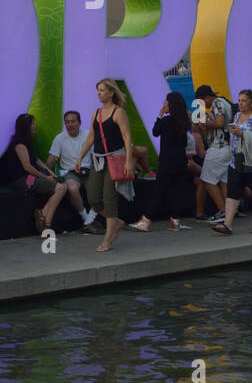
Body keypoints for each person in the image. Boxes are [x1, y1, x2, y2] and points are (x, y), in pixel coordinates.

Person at [74, 78, 133, 253]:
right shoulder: (96, 113)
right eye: (98, 90)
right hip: (98, 159)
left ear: (111, 92)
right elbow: (91, 138)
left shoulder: (118, 112)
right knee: (92, 196)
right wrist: (80, 157)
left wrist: (129, 161)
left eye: (102, 90)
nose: (99, 93)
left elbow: (127, 138)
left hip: (114, 159)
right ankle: (116, 221)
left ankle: (108, 239)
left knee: (109, 197)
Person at [130, 92, 194, 233]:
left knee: (159, 191)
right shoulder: (183, 122)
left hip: (167, 161)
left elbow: (155, 132)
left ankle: (145, 221)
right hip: (181, 160)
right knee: (178, 191)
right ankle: (175, 221)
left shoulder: (166, 121)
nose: (164, 104)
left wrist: (159, 115)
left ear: (170, 104)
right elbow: (183, 142)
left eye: (166, 102)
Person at [0, 114, 66, 230]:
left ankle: (42, 214)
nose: (35, 126)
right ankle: (47, 222)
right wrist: (46, 178)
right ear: (26, 127)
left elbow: (36, 160)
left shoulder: (27, 142)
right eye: (32, 123)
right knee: (60, 188)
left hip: (28, 177)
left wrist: (51, 173)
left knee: (62, 185)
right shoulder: (19, 144)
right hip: (23, 179)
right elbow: (27, 167)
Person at [211, 89, 252, 235]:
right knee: (233, 191)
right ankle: (227, 224)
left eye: (244, 101)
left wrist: (242, 134)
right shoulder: (237, 115)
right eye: (239, 101)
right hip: (237, 161)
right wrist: (231, 150)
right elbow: (233, 136)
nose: (241, 104)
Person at [46, 110, 96, 232]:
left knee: (101, 188)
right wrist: (45, 173)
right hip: (70, 172)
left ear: (79, 123)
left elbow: (95, 156)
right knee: (72, 188)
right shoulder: (60, 138)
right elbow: (51, 160)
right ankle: (86, 219)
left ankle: (90, 219)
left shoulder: (88, 135)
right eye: (67, 122)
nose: (70, 125)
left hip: (88, 170)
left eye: (73, 121)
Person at [191, 84, 232, 224]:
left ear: (207, 97)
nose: (204, 105)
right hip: (227, 147)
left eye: (203, 101)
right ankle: (229, 211)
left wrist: (206, 123)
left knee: (209, 181)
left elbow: (220, 123)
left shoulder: (217, 103)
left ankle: (223, 212)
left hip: (218, 147)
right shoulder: (225, 101)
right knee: (223, 182)